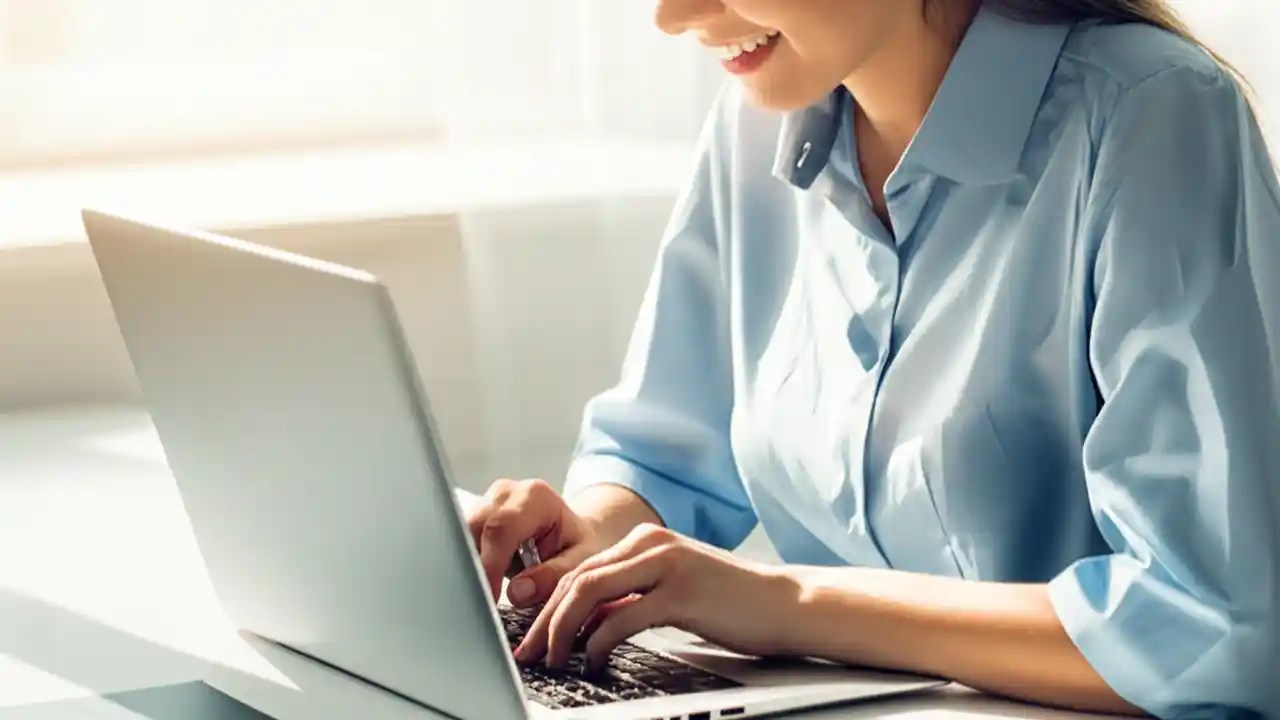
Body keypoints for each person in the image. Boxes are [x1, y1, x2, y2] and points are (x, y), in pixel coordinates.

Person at [465, 1, 1280, 717]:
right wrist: (586, 542)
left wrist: (791, 603)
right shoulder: (762, 114)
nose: (672, 16)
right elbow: (666, 454)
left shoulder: (1153, 114)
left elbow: (1216, 628)